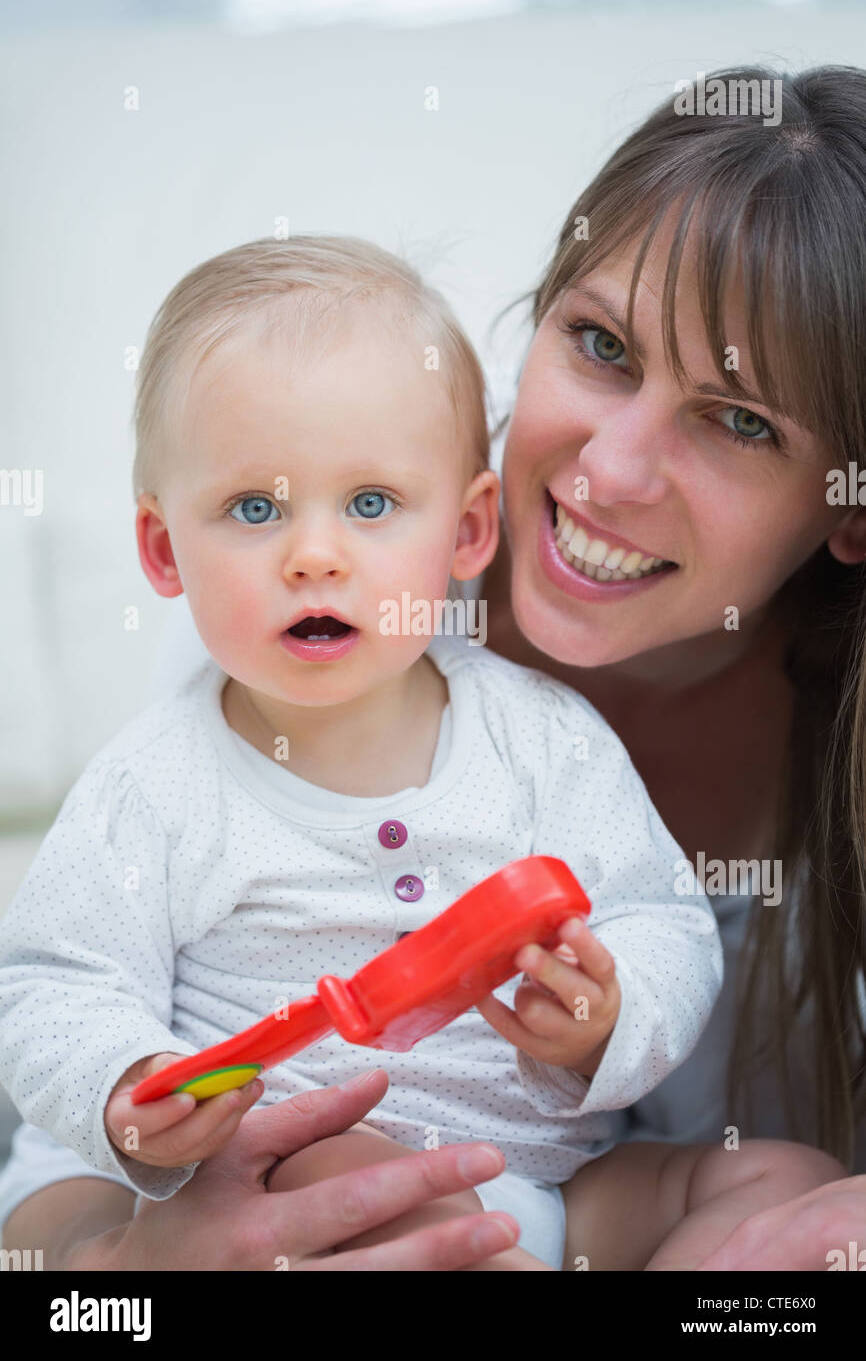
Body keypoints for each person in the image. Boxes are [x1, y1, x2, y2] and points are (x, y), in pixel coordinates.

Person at [3, 61, 865, 1271]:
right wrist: (128, 1118)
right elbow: (60, 987)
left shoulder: (542, 734)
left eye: (738, 420)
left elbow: (653, 912)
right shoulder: (233, 683)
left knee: (800, 1186)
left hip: (559, 1182)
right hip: (312, 1165)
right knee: (347, 1166)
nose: (606, 475)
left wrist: (609, 1016)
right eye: (600, 343)